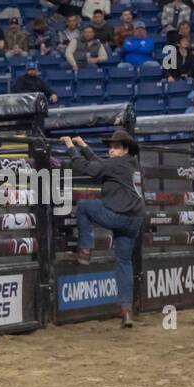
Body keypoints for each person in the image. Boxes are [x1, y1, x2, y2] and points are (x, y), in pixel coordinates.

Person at [62, 130, 143, 328]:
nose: (111, 150)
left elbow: (88, 168)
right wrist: (84, 146)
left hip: (119, 216)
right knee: (124, 261)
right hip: (135, 220)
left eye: (115, 147)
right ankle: (126, 311)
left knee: (83, 206)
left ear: (124, 150)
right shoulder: (131, 164)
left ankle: (85, 249)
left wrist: (71, 148)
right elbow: (102, 165)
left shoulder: (117, 163)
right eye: (110, 146)